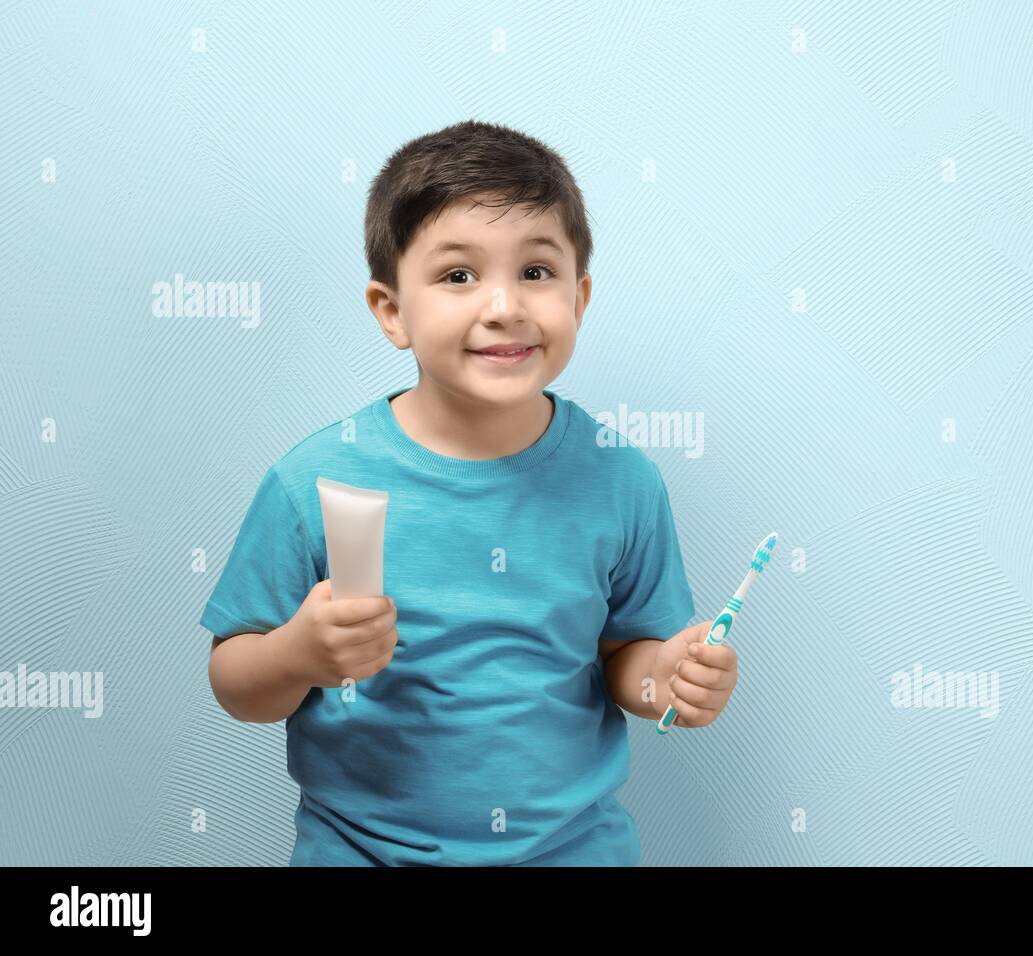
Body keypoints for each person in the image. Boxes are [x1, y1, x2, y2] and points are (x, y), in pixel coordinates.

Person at [201, 120, 739, 866]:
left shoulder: (620, 478)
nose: (504, 307)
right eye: (458, 276)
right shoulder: (314, 480)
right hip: (363, 852)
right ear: (391, 311)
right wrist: (298, 654)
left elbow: (626, 656)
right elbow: (236, 685)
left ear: (579, 298)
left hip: (572, 851)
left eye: (536, 273)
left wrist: (669, 681)